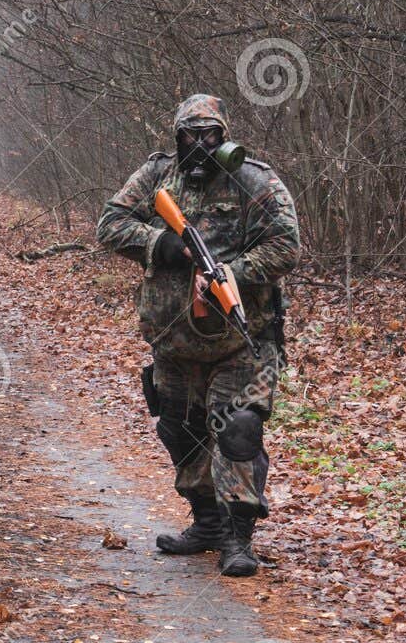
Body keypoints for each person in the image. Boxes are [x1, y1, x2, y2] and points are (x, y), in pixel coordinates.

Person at [96, 94, 300, 576]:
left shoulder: (254, 180)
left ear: (225, 135)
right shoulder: (157, 176)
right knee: (180, 429)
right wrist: (161, 243)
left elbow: (286, 247)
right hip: (173, 340)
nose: (202, 145)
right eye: (191, 135)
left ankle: (238, 537)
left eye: (211, 135)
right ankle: (206, 521)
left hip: (238, 339)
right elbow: (110, 223)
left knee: (238, 429)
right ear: (177, 137)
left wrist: (231, 273)